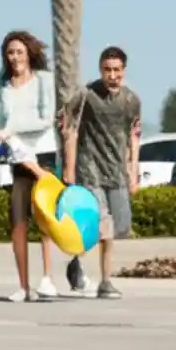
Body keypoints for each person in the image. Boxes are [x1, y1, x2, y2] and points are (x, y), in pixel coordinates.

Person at [60, 46, 142, 299]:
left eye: (117, 70)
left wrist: (133, 172)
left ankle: (77, 259)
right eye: (107, 70)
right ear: (100, 70)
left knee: (119, 226)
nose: (112, 75)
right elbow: (70, 130)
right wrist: (69, 168)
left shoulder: (131, 100)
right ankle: (106, 282)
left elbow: (134, 137)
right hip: (90, 168)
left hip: (116, 170)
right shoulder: (86, 96)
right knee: (104, 224)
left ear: (124, 71)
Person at [0, 31, 60, 302]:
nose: (14, 57)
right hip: (17, 156)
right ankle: (23, 285)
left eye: (18, 51)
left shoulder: (44, 80)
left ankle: (48, 278)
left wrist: (11, 129)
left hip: (42, 152)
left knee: (44, 216)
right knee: (18, 218)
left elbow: (45, 119)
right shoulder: (1, 83)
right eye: (10, 52)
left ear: (29, 53)